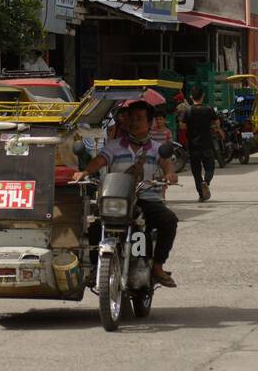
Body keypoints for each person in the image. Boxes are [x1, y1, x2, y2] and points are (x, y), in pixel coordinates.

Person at [73, 98, 181, 288]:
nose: (133, 122)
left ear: (150, 123)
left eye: (139, 118)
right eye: (131, 118)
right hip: (117, 199)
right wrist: (85, 172)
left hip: (147, 199)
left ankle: (157, 266)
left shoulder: (156, 149)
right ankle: (96, 267)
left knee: (169, 220)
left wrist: (170, 175)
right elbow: (98, 162)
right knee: (95, 224)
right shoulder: (114, 146)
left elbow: (167, 164)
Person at [181, 85, 221, 202]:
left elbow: (182, 126)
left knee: (196, 171)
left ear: (190, 97)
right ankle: (206, 181)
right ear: (203, 96)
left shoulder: (188, 110)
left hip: (193, 146)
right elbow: (216, 122)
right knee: (210, 167)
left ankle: (201, 195)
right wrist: (214, 127)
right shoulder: (208, 109)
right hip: (207, 144)